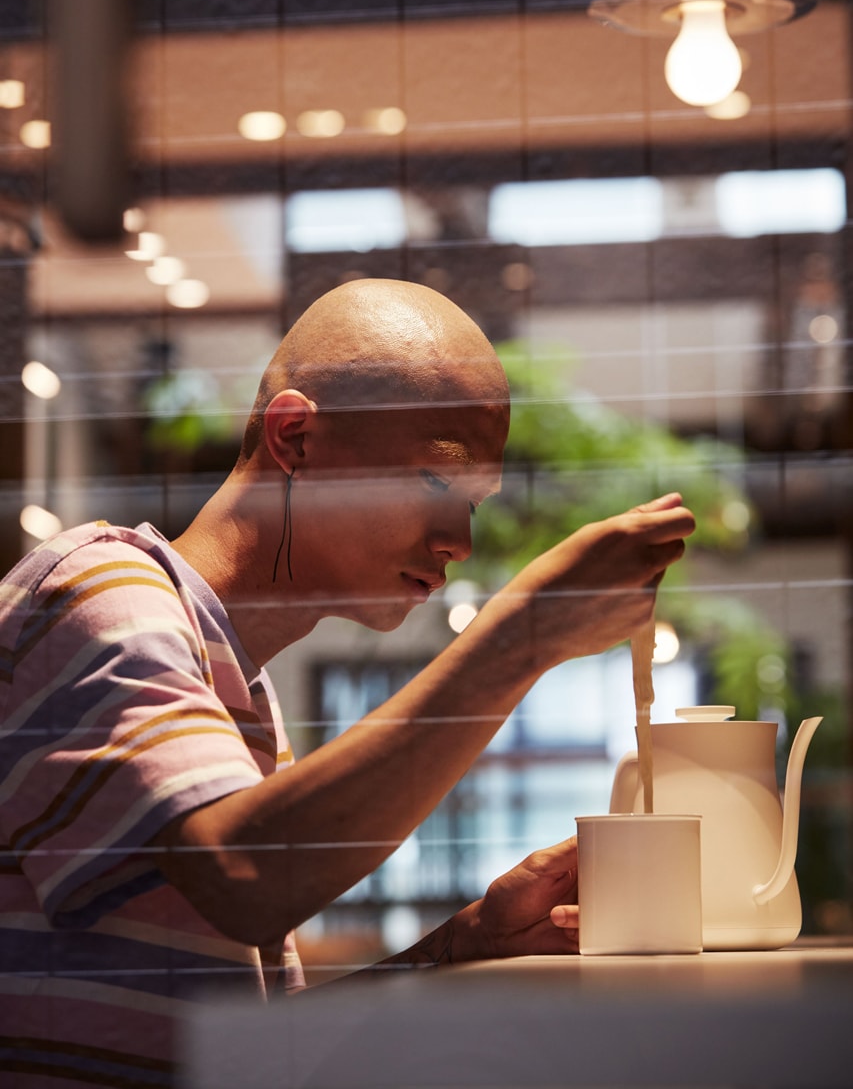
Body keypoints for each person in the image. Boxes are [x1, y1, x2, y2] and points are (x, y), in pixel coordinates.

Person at [0, 278, 695, 1087]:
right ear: (293, 438)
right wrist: (522, 636)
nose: (460, 540)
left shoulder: (239, 697)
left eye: (475, 503)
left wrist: (458, 946)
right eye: (438, 483)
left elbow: (252, 1055)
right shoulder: (96, 589)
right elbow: (243, 879)